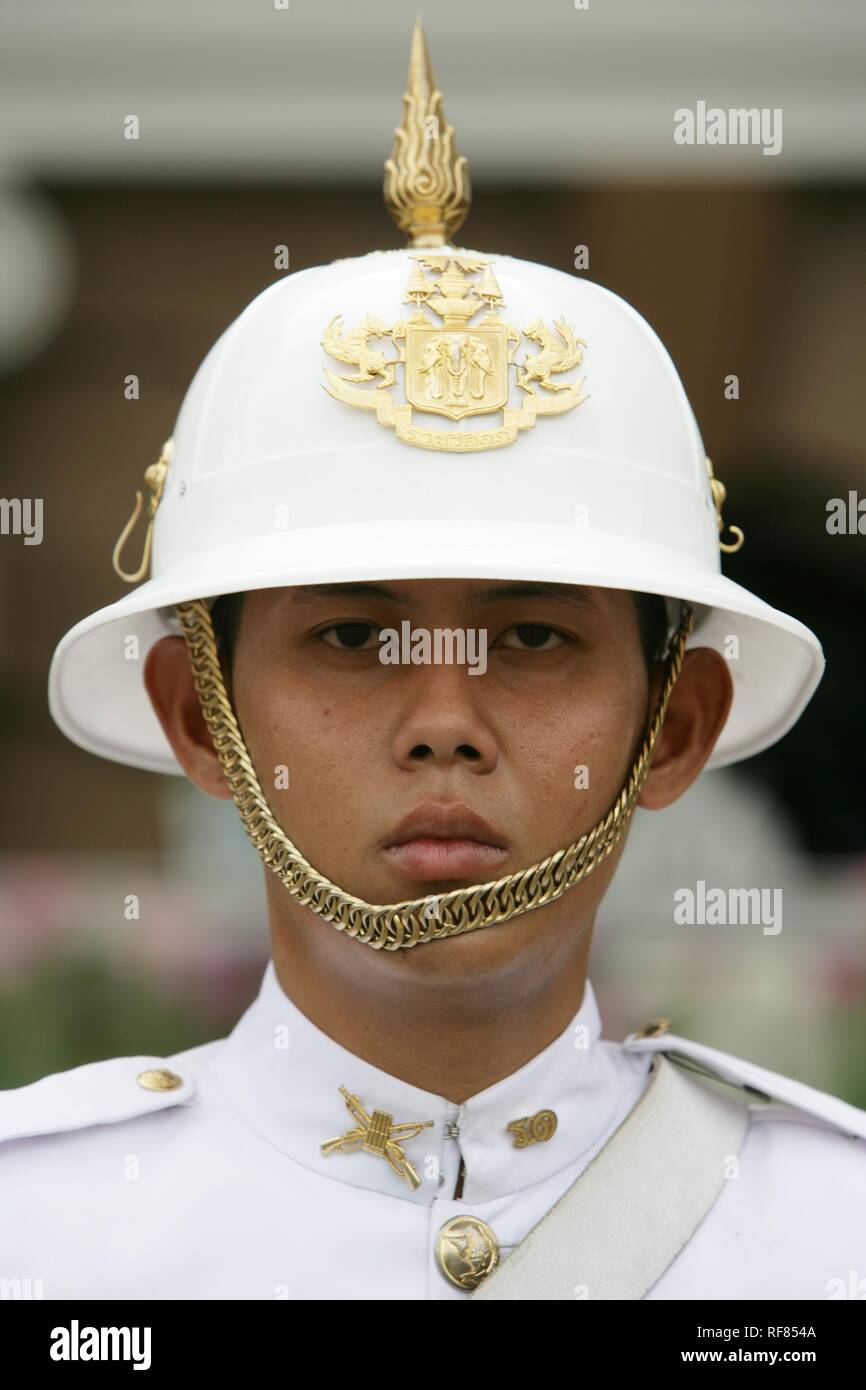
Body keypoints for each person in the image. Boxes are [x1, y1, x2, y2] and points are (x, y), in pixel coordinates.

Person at [2, 21, 864, 1302]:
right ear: (199, 716)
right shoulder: (38, 1231)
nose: (444, 719)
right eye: (353, 637)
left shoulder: (830, 1231)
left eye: (531, 639)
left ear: (674, 726)